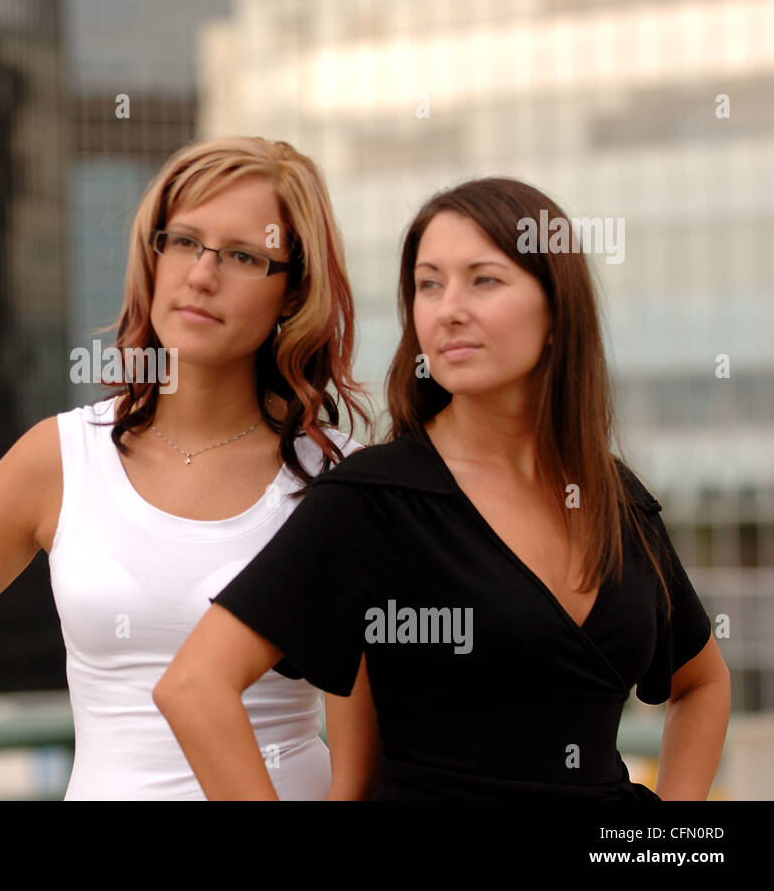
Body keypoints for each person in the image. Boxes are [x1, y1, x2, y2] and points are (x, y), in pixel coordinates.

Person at [155, 176, 731, 800]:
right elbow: (194, 687)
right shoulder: (374, 498)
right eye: (429, 284)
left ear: (557, 310)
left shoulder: (615, 497)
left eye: (483, 279)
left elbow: (702, 683)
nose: (448, 307)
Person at [0, 136, 375, 799]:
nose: (201, 274)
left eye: (243, 255)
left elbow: (359, 770)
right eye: (182, 241)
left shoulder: (340, 481)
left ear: (293, 291)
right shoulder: (59, 457)